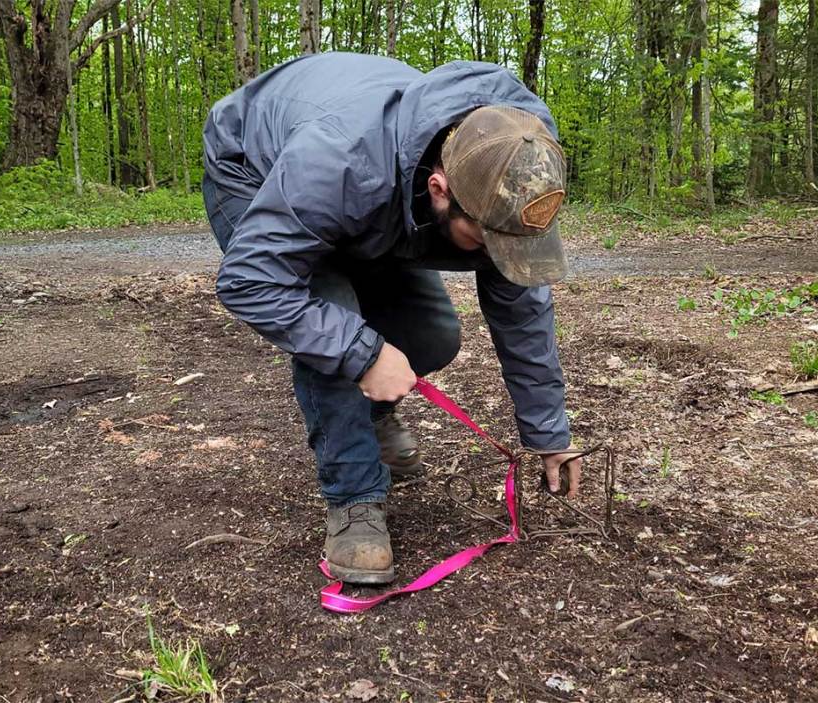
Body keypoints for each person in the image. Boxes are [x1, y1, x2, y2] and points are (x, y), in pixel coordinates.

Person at [202, 52, 582, 585]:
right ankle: (354, 500)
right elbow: (250, 280)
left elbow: (522, 305)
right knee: (334, 326)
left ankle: (372, 418)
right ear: (440, 190)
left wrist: (547, 432)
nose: (498, 255)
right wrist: (363, 354)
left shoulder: (518, 156)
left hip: (377, 191)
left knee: (431, 336)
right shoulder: (338, 166)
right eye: (486, 241)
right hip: (255, 164)